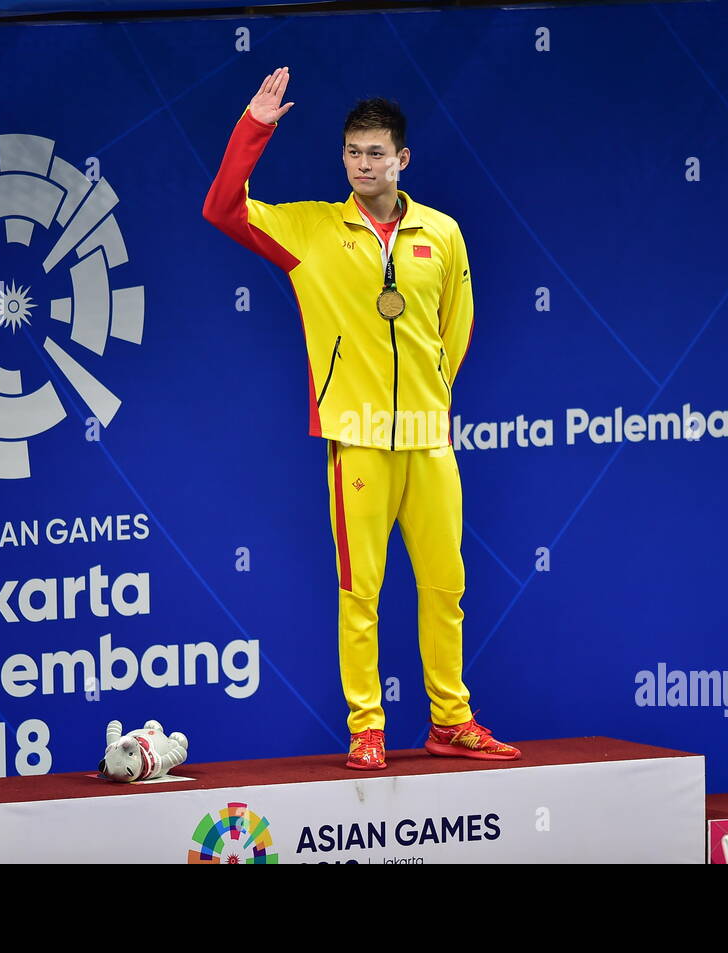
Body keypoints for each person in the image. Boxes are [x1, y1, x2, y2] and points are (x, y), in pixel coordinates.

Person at [202, 67, 520, 770]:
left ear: (402, 158)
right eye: (353, 151)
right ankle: (367, 725)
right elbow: (223, 208)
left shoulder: (443, 233)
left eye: (376, 152)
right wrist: (255, 125)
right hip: (358, 441)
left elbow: (455, 329)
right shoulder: (311, 229)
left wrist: (429, 397)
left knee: (446, 587)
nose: (363, 163)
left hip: (430, 441)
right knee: (361, 592)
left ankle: (451, 718)